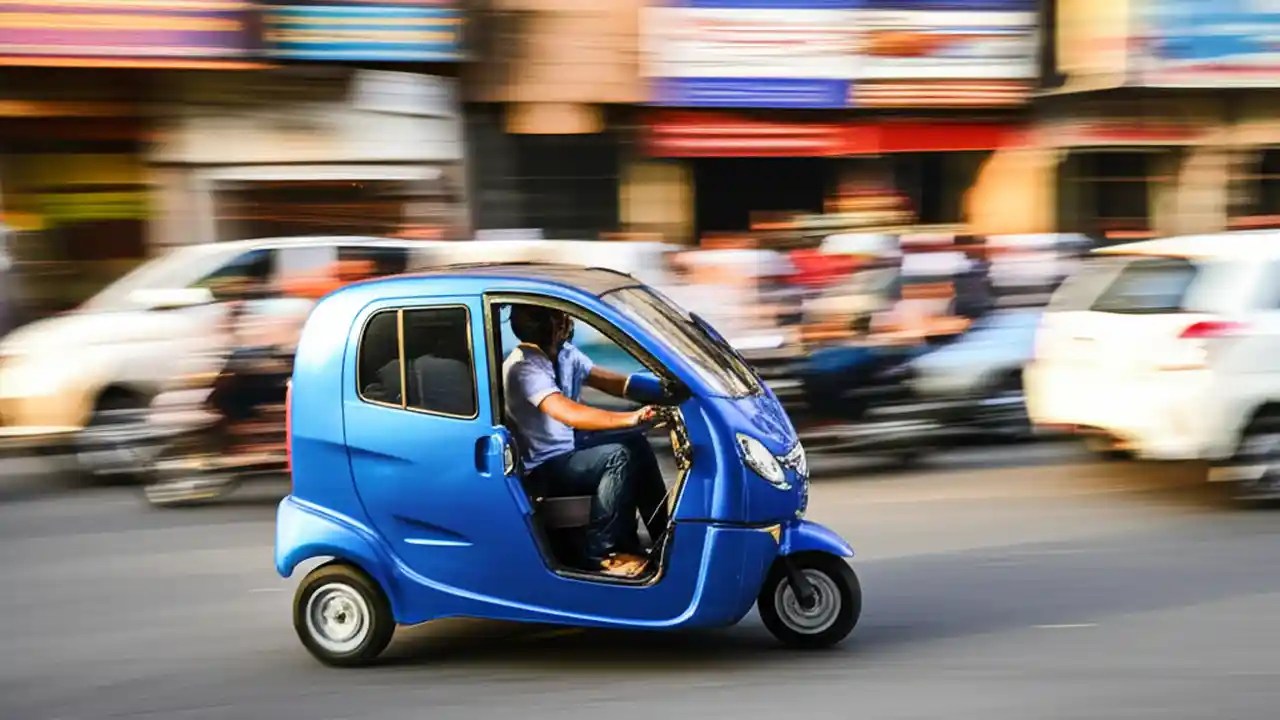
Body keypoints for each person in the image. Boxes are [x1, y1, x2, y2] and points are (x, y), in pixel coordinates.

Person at [503, 304, 668, 578]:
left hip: (571, 449)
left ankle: (663, 534)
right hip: (545, 467)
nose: (566, 322)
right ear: (551, 326)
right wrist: (629, 418)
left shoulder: (566, 354)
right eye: (560, 317)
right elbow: (568, 413)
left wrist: (670, 389)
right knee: (619, 456)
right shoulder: (523, 367)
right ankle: (604, 552)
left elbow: (615, 383)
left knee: (636, 444)